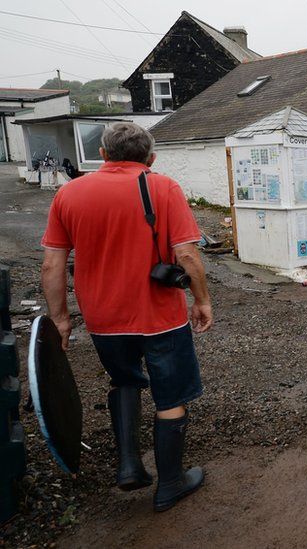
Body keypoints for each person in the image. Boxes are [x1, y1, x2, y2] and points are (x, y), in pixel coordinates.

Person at [40, 122, 211, 512]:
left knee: (124, 380)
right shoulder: (163, 187)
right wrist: (202, 300)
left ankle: (129, 465)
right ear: (151, 158)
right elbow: (186, 255)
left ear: (102, 155)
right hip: (160, 317)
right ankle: (170, 483)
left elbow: (52, 265)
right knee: (170, 395)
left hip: (103, 317)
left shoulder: (69, 193)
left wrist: (60, 318)